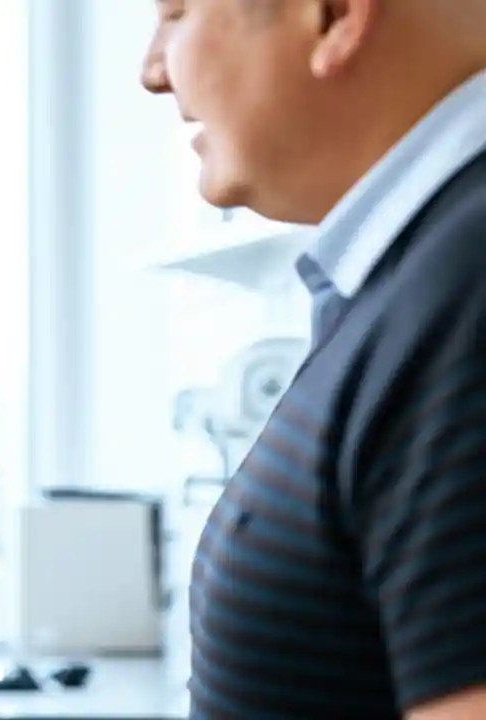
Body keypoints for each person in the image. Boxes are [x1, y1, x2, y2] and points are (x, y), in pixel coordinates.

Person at [140, 0, 486, 718]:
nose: (152, 72)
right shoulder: (420, 286)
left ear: (335, 16)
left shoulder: (468, 298)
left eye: (176, 13)